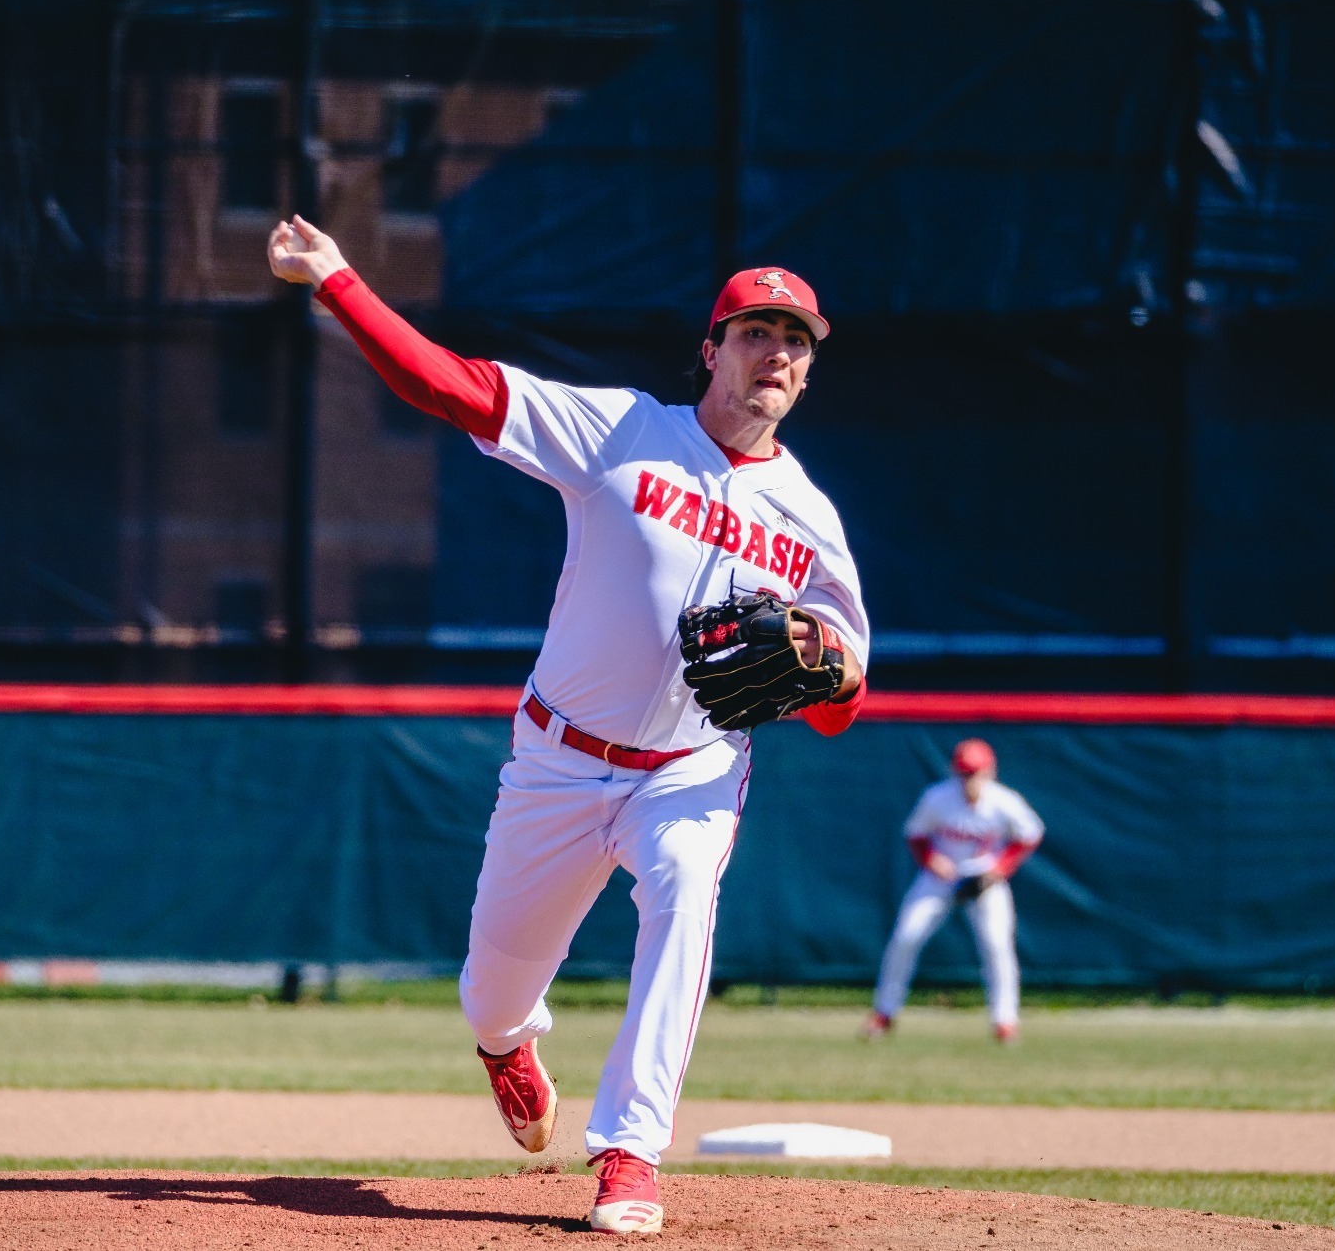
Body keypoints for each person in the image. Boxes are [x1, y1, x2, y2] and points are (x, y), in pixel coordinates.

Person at [269, 216, 869, 1235]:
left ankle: (630, 1152)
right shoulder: (623, 432)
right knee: (490, 995)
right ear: (711, 348)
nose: (776, 353)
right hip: (557, 759)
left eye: (795, 340)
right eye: (756, 332)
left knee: (684, 892)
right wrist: (338, 282)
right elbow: (450, 387)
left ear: (807, 372)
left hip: (690, 767)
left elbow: (843, 703)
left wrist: (826, 671)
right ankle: (509, 1045)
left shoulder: (809, 518)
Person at [864, 737, 1043, 1043]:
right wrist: (931, 859)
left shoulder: (1004, 801)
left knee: (997, 945)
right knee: (907, 935)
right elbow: (916, 834)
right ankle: (884, 1012)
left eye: (976, 773)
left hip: (984, 880)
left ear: (990, 772)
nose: (970, 780)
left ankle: (1005, 1020)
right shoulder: (938, 798)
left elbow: (1030, 833)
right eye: (965, 773)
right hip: (940, 877)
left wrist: (1000, 868)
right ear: (955, 772)